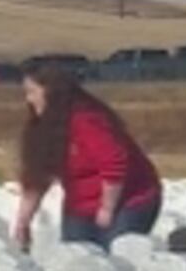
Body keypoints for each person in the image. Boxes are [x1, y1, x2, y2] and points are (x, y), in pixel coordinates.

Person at [12, 61, 162, 249]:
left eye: (32, 92)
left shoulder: (86, 120)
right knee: (78, 261)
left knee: (115, 258)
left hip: (129, 199)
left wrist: (106, 209)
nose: (29, 99)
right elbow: (37, 177)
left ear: (51, 91)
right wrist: (23, 222)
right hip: (81, 203)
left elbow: (114, 161)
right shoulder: (43, 129)